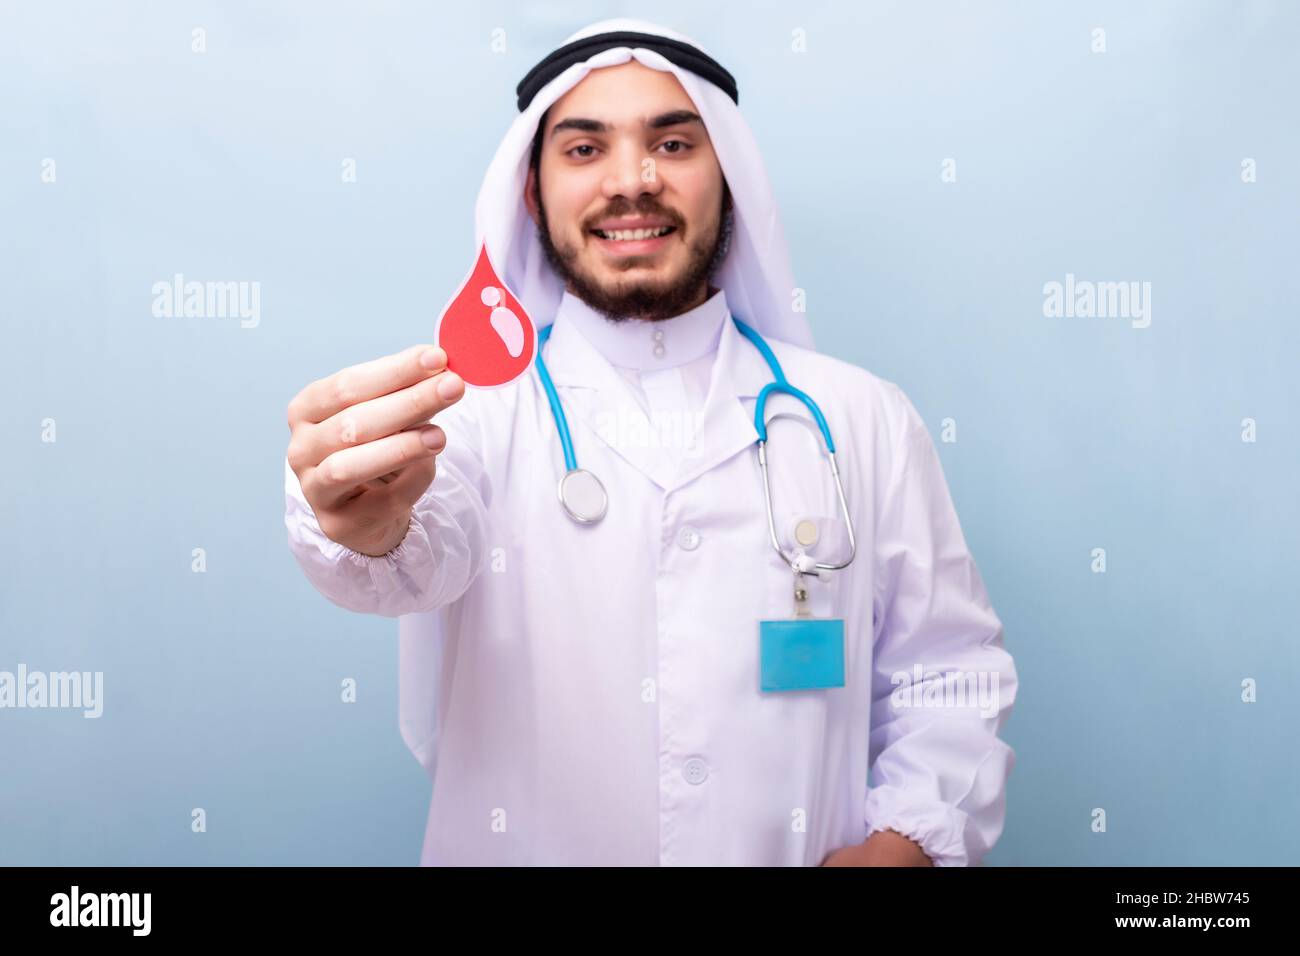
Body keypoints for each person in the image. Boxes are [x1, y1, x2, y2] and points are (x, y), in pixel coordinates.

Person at [283, 18, 1017, 866]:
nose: (632, 183)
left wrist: (904, 847)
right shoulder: (471, 419)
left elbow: (948, 673)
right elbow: (405, 555)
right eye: (584, 150)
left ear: (730, 180)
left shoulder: (860, 419)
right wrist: (361, 527)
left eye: (672, 143)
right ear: (533, 194)